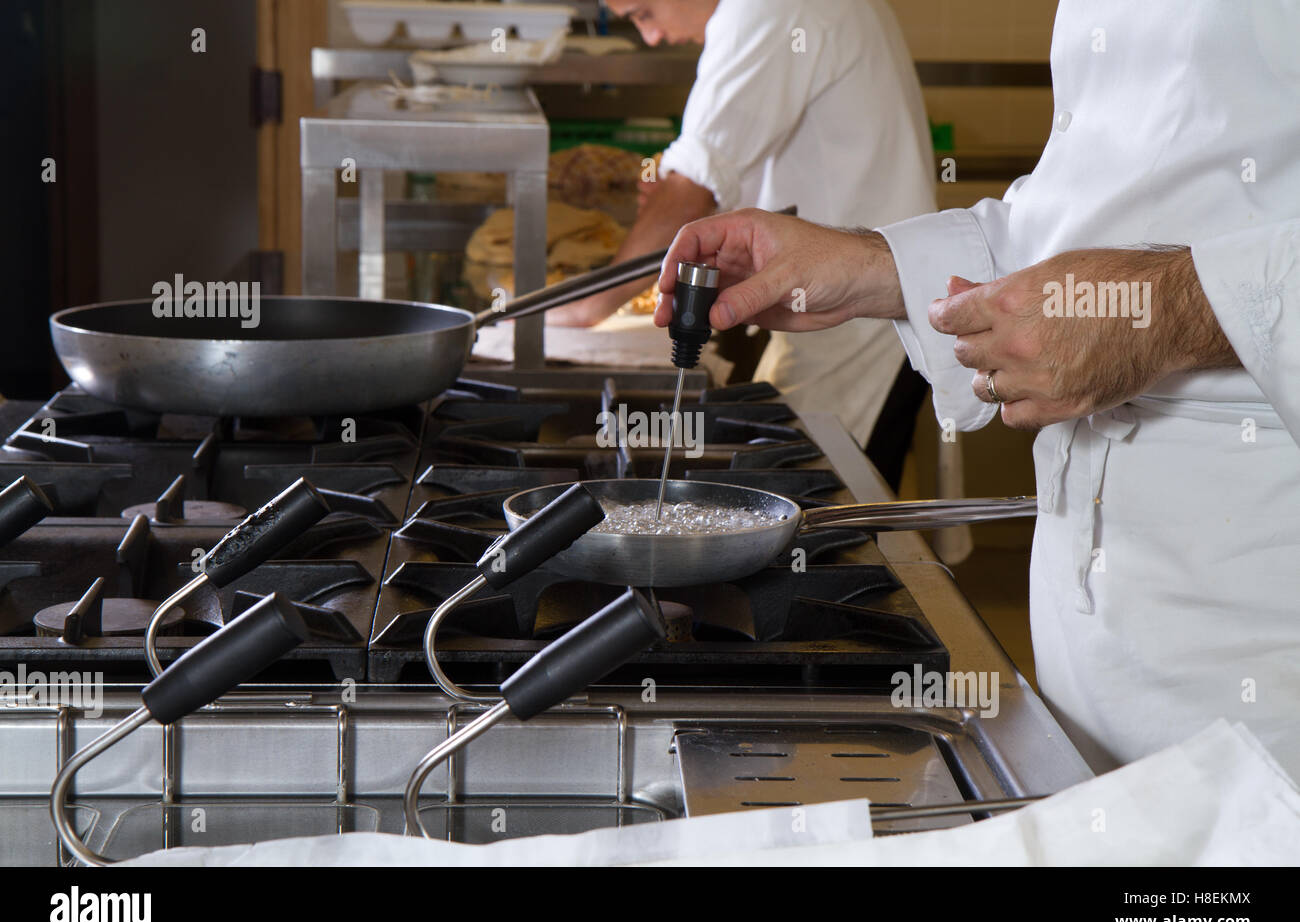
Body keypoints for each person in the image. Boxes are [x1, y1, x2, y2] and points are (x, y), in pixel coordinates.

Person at [655, 1, 1300, 777]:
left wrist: (1173, 308)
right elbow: (1083, 212)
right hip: (1091, 607)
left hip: (1257, 610)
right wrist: (872, 268)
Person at [547, 0, 936, 477]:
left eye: (643, 13)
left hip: (862, 325)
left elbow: (696, 179)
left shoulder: (766, 9)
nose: (650, 37)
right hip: (850, 304)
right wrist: (686, 196)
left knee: (821, 504)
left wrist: (590, 304)